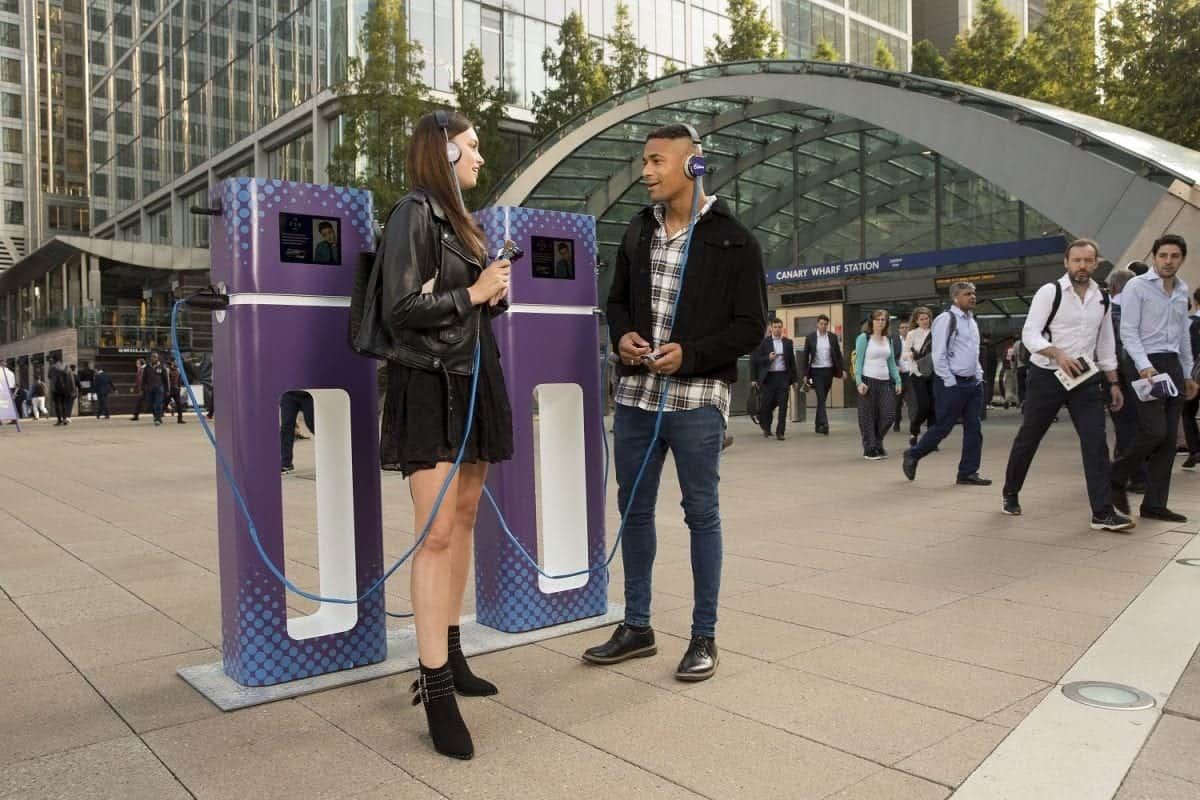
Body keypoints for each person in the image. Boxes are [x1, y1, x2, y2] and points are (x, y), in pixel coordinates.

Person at [582, 123, 766, 686]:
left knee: (700, 514)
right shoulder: (638, 231)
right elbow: (614, 302)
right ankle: (637, 627)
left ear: (693, 166)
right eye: (644, 161)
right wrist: (623, 337)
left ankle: (703, 636)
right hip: (636, 397)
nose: (645, 171)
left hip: (698, 400)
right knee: (633, 511)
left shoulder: (735, 239)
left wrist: (690, 355)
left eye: (657, 161)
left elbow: (751, 327)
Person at [356, 110, 513, 760]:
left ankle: (451, 651)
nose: (479, 156)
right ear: (443, 152)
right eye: (471, 146)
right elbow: (398, 308)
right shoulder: (411, 214)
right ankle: (435, 687)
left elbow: (460, 295)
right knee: (437, 532)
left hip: (475, 377)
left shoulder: (465, 224)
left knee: (467, 518)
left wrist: (490, 292)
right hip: (429, 384)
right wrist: (474, 294)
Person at [1000, 239, 1132, 531]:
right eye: (1077, 260)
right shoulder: (1051, 292)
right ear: (1066, 262)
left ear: (1097, 263)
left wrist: (1113, 383)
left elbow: (1106, 344)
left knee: (1095, 442)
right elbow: (1030, 334)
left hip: (1085, 379)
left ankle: (1102, 512)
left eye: (1088, 260)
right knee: (1030, 437)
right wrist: (1057, 353)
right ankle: (1010, 492)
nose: (1082, 266)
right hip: (1046, 376)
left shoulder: (1103, 298)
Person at [1110, 235, 1198, 522]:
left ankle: (1154, 504)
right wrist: (1144, 366)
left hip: (1171, 364)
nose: (1168, 261)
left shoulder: (1182, 289)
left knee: (1170, 439)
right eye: (1163, 255)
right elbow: (1128, 331)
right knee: (1154, 431)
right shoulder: (1137, 286)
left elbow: (1183, 335)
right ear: (1155, 257)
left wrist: (1187, 373)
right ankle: (1114, 476)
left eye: (1174, 256)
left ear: (1181, 259)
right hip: (1144, 364)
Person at [902, 282, 991, 486]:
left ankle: (968, 472)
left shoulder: (971, 321)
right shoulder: (946, 320)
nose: (973, 297)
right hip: (952, 384)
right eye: (968, 294)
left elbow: (973, 352)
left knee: (974, 428)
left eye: (974, 293)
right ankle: (913, 454)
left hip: (973, 384)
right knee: (943, 427)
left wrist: (978, 376)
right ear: (955, 298)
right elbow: (939, 354)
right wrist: (950, 382)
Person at [1107, 267, 1149, 494]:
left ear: (1113, 287)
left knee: (1125, 426)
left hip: (1119, 377)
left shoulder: (1109, 311)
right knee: (1142, 424)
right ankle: (1129, 472)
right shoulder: (1143, 310)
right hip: (1145, 373)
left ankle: (1131, 474)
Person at [854, 309, 903, 459]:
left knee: (889, 415)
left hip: (885, 382)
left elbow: (892, 363)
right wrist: (859, 381)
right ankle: (870, 448)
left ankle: (877, 440)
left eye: (884, 319)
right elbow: (858, 361)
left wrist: (898, 380)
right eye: (878, 319)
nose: (881, 322)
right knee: (868, 416)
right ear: (872, 321)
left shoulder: (888, 340)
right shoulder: (864, 338)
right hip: (868, 381)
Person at [752, 317, 796, 440]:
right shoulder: (764, 343)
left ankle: (780, 432)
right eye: (775, 327)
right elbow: (756, 360)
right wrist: (768, 358)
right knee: (766, 405)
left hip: (783, 377)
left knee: (783, 406)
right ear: (771, 328)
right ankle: (766, 427)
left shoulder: (788, 343)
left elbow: (792, 362)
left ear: (782, 328)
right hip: (769, 378)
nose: (777, 329)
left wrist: (794, 380)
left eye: (779, 327)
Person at [802, 314, 844, 435]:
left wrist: (842, 370)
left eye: (825, 324)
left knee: (822, 399)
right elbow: (805, 357)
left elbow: (838, 355)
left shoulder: (832, 337)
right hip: (816, 371)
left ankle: (817, 424)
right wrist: (805, 374)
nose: (823, 326)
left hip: (829, 371)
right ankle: (824, 424)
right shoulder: (810, 338)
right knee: (821, 397)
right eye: (821, 324)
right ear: (817, 324)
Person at [904, 307, 937, 446]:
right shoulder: (912, 334)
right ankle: (914, 430)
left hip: (934, 373)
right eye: (922, 319)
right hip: (917, 374)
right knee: (923, 405)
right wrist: (913, 355)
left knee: (934, 407)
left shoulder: (936, 333)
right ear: (916, 321)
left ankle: (931, 440)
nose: (925, 321)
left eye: (927, 318)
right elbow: (904, 354)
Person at [1182, 286, 1200, 471]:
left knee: (1187, 413)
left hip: (1193, 375)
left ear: (1195, 302)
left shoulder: (1188, 323)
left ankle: (1194, 450)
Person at [279, 391, 315, 473]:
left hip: (309, 394)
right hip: (288, 393)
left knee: (313, 424)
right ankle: (286, 463)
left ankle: (330, 455)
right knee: (286, 427)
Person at [141, 351, 170, 426]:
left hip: (159, 388)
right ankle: (155, 415)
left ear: (157, 358)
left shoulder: (162, 367)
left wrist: (167, 390)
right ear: (151, 358)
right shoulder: (147, 367)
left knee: (158, 403)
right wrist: (143, 388)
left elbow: (165, 379)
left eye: (155, 357)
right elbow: (144, 378)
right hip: (150, 389)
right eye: (153, 357)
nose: (154, 358)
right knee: (152, 404)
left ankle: (158, 418)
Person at [892, 319, 910, 432]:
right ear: (899, 330)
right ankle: (897, 422)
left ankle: (914, 424)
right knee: (897, 401)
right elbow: (891, 357)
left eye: (906, 327)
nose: (904, 329)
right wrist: (895, 366)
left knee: (913, 401)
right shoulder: (894, 342)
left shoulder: (913, 341)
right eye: (902, 327)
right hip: (900, 375)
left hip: (911, 374)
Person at [47, 358, 75, 425]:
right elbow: (71, 378)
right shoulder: (66, 366)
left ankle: (59, 420)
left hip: (56, 388)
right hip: (65, 389)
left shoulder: (52, 367)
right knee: (64, 404)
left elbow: (49, 376)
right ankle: (65, 419)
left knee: (57, 404)